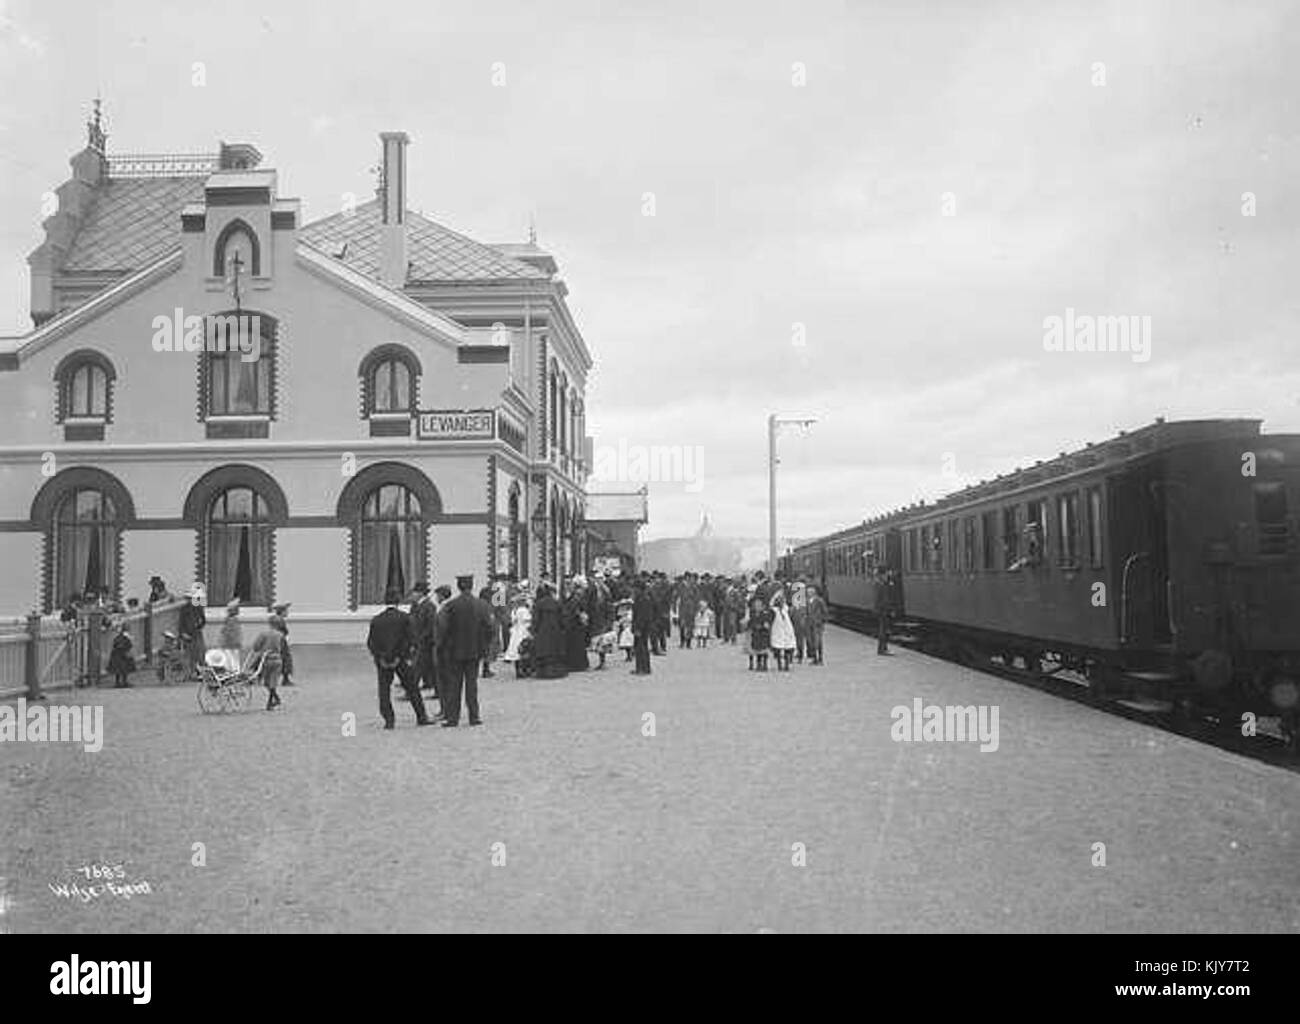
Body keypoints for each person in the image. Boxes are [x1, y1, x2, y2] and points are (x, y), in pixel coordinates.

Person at [367, 589, 434, 729]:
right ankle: (421, 717)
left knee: (384, 691)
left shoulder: (377, 620)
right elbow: (410, 639)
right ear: (398, 601)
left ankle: (389, 720)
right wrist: (402, 656)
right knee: (412, 688)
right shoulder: (404, 618)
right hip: (401, 660)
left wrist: (380, 657)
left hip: (383, 661)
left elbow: (371, 642)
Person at [437, 575, 493, 727]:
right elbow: (489, 627)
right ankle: (474, 717)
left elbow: (442, 628)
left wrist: (441, 646)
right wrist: (484, 645)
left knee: (454, 685)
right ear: (471, 586)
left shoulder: (451, 606)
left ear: (459, 587)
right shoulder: (481, 605)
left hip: (454, 651)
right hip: (474, 651)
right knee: (471, 685)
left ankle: (452, 718)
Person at [532, 582, 566, 678]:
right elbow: (562, 618)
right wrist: (562, 628)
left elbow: (536, 619)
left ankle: (543, 672)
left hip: (543, 631)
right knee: (555, 651)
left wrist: (534, 630)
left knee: (544, 651)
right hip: (555, 630)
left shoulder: (539, 604)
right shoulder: (557, 603)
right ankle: (556, 672)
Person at [250, 625, 284, 710]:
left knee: (267, 682)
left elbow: (256, 647)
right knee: (273, 681)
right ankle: (274, 699)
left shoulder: (263, 634)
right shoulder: (280, 636)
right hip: (277, 659)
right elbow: (284, 649)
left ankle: (272, 701)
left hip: (266, 660)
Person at [502, 591, 532, 676]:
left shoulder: (514, 611)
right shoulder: (523, 610)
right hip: (523, 630)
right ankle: (524, 670)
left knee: (515, 651)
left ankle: (518, 671)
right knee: (523, 650)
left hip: (516, 631)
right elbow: (527, 620)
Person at [178, 585, 208, 671]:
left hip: (196, 633)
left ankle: (201, 670)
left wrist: (199, 626)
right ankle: (192, 671)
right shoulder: (184, 609)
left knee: (200, 651)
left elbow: (203, 620)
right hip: (187, 633)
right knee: (190, 654)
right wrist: (183, 633)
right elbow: (181, 623)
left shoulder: (198, 608)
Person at [631, 578, 655, 674]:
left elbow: (641, 616)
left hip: (642, 627)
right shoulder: (642, 598)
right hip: (644, 626)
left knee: (641, 648)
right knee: (641, 647)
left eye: (635, 588)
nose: (633, 590)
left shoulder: (642, 599)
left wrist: (638, 628)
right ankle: (643, 668)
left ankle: (642, 668)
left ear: (639, 589)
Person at [269, 602, 295, 687]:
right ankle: (285, 678)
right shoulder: (279, 620)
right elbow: (284, 631)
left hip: (275, 640)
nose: (287, 613)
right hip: (281, 641)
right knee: (285, 659)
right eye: (286, 611)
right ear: (282, 611)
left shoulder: (274, 619)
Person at [478, 586, 500, 678]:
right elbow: (491, 619)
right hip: (486, 632)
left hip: (478, 631)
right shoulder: (487, 606)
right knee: (487, 652)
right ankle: (486, 671)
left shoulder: (478, 604)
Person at [770, 592, 797, 670]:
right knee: (778, 648)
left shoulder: (787, 609)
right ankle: (779, 664)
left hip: (787, 630)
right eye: (779, 601)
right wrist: (775, 596)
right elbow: (770, 604)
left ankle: (786, 664)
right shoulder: (774, 610)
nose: (781, 603)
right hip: (778, 630)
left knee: (788, 648)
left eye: (782, 601)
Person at [747, 592, 771, 671]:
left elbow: (768, 623)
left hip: (763, 633)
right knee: (757, 649)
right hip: (756, 634)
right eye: (756, 606)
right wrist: (753, 626)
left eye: (759, 606)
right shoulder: (752, 614)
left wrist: (764, 625)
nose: (757, 607)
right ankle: (758, 664)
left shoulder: (765, 614)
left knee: (764, 649)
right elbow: (750, 623)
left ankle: (765, 664)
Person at [107, 623, 135, 688]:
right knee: (124, 669)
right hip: (123, 654)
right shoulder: (126, 637)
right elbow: (129, 645)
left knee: (119, 669)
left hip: (117, 654)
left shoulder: (118, 637)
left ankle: (118, 682)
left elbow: (115, 644)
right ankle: (123, 682)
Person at [805, 584, 828, 666]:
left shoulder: (819, 601)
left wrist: (822, 621)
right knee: (811, 641)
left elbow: (825, 612)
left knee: (818, 642)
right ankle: (814, 658)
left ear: (814, 593)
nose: (808, 593)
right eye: (807, 592)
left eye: (810, 592)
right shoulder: (807, 601)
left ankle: (820, 658)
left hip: (817, 624)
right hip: (809, 624)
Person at [219, 599, 243, 671]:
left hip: (230, 642)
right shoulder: (234, 620)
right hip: (233, 642)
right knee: (233, 657)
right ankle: (234, 670)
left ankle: (232, 671)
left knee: (230, 657)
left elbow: (228, 632)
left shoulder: (231, 620)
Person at [876, 568, 894, 655]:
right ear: (882, 575)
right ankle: (882, 649)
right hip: (883, 611)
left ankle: (883, 648)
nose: (887, 576)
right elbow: (884, 600)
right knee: (883, 630)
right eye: (886, 574)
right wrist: (889, 610)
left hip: (881, 610)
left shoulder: (880, 583)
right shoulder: (881, 585)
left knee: (883, 630)